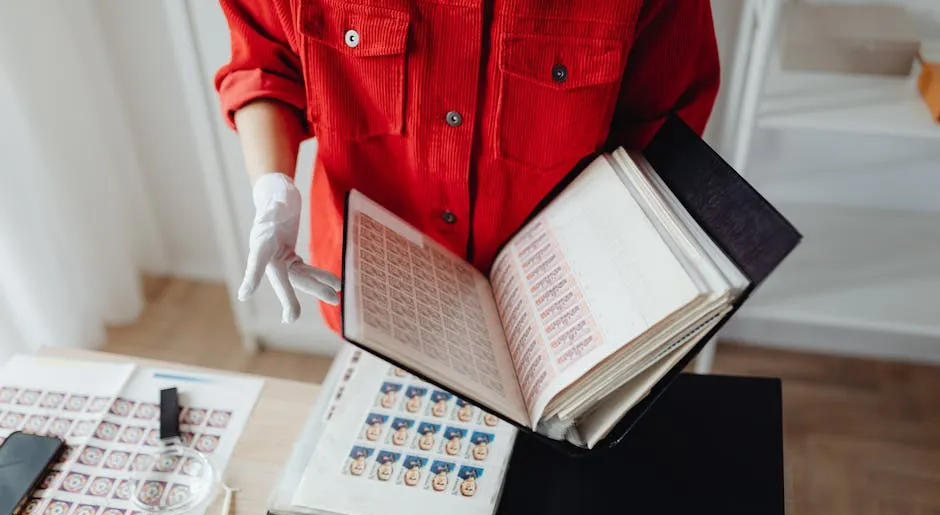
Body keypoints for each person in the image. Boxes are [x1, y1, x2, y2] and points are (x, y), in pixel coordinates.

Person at [214, 0, 720, 330]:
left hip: (559, 311)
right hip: (376, 289)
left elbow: (661, 128)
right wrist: (272, 188)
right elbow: (264, 65)